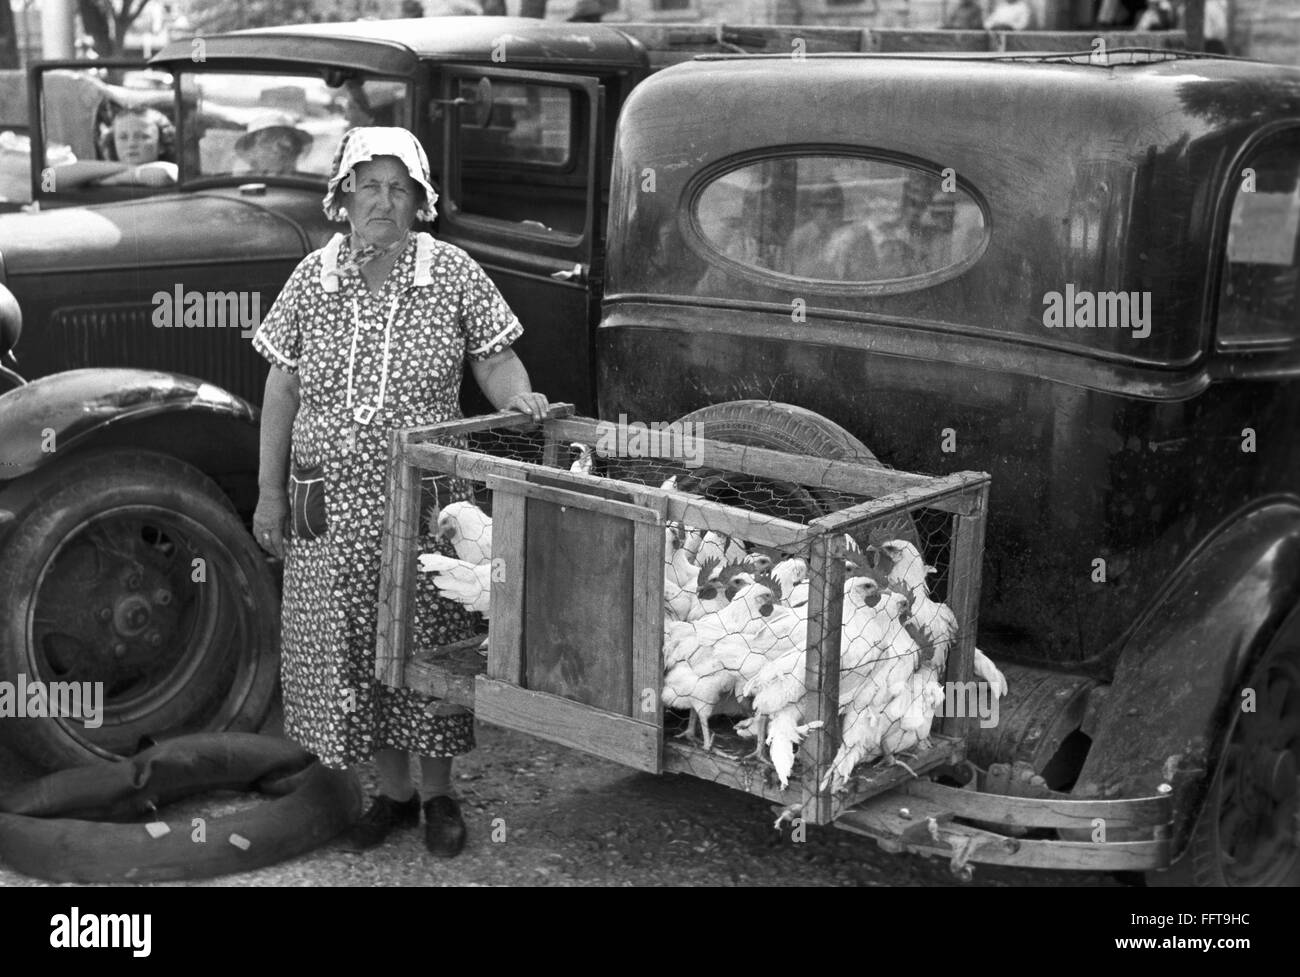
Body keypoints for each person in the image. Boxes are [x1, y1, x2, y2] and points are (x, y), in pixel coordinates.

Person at [251, 126, 549, 857]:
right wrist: (268, 494)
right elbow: (281, 388)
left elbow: (496, 358)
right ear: (343, 196)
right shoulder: (312, 278)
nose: (383, 199)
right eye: (369, 184)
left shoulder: (449, 271)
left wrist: (521, 398)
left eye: (399, 187)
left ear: (420, 201)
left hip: (420, 504)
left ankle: (440, 795)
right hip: (328, 509)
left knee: (425, 648)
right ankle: (393, 793)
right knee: (355, 649)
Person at [54, 106, 177, 189]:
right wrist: (128, 169)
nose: (131, 144)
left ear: (161, 144)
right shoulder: (105, 170)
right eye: (123, 137)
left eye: (142, 137)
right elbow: (48, 181)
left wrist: (105, 180)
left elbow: (163, 175)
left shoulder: (169, 167)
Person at [235, 111, 313, 176]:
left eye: (283, 145)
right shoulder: (237, 186)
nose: (276, 150)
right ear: (251, 151)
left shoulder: (306, 189)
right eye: (267, 141)